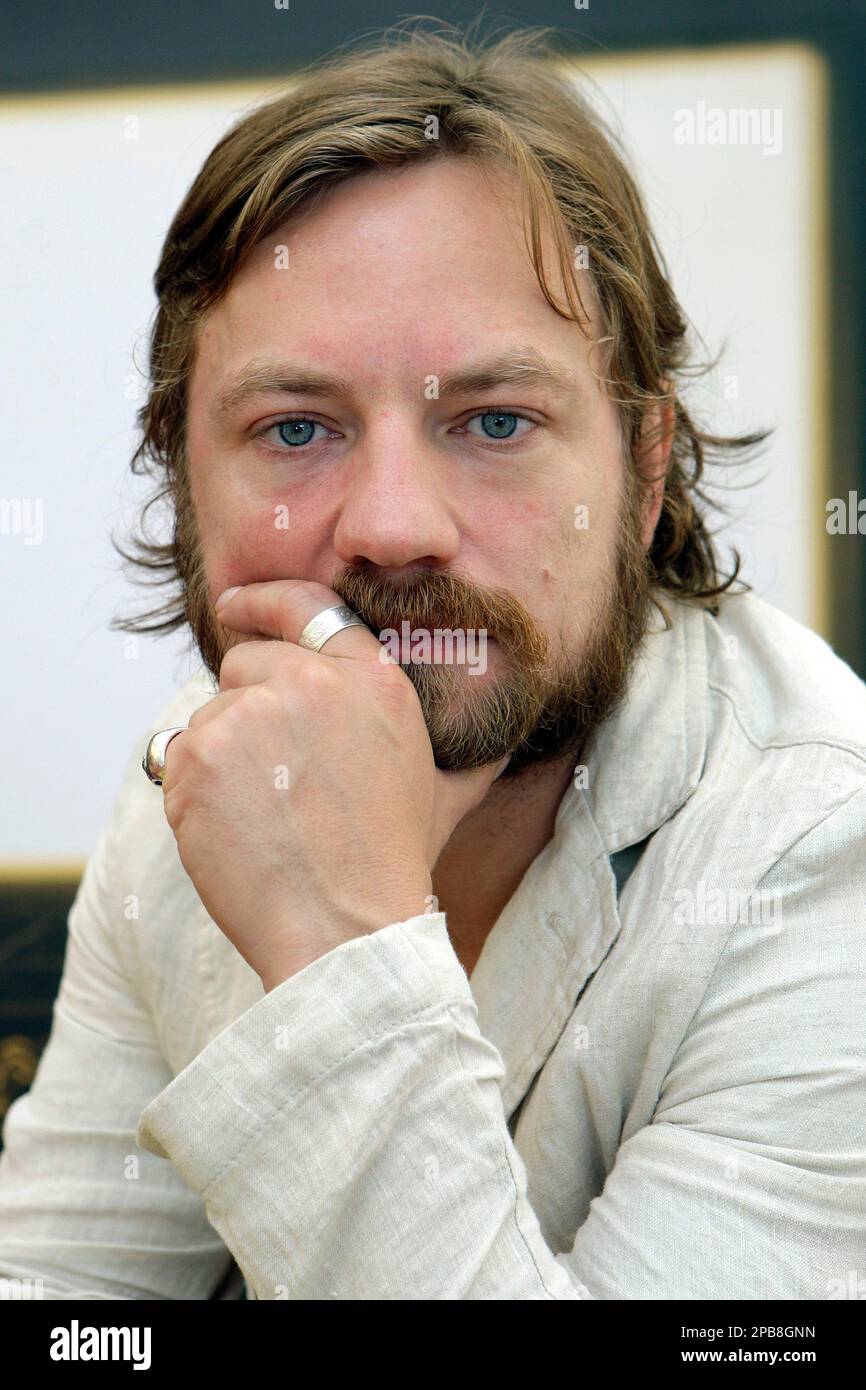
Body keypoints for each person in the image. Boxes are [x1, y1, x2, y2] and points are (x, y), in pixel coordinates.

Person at [1, 22, 864, 1301]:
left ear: (637, 477)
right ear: (184, 481)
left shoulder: (823, 845)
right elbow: (76, 1308)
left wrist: (336, 943)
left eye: (494, 421)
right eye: (294, 426)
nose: (392, 523)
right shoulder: (197, 782)